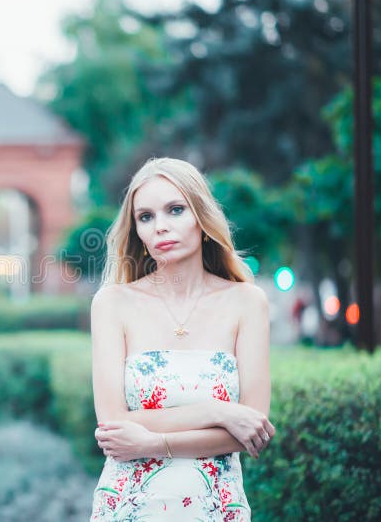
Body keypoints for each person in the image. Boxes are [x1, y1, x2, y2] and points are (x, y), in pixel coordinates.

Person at [89, 158, 275, 521]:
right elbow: (113, 424)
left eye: (175, 210)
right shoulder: (112, 304)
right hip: (129, 506)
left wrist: (155, 442)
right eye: (146, 217)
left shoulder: (246, 302)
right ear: (137, 231)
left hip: (217, 507)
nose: (161, 227)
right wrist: (217, 412)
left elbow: (251, 429)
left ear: (202, 219)